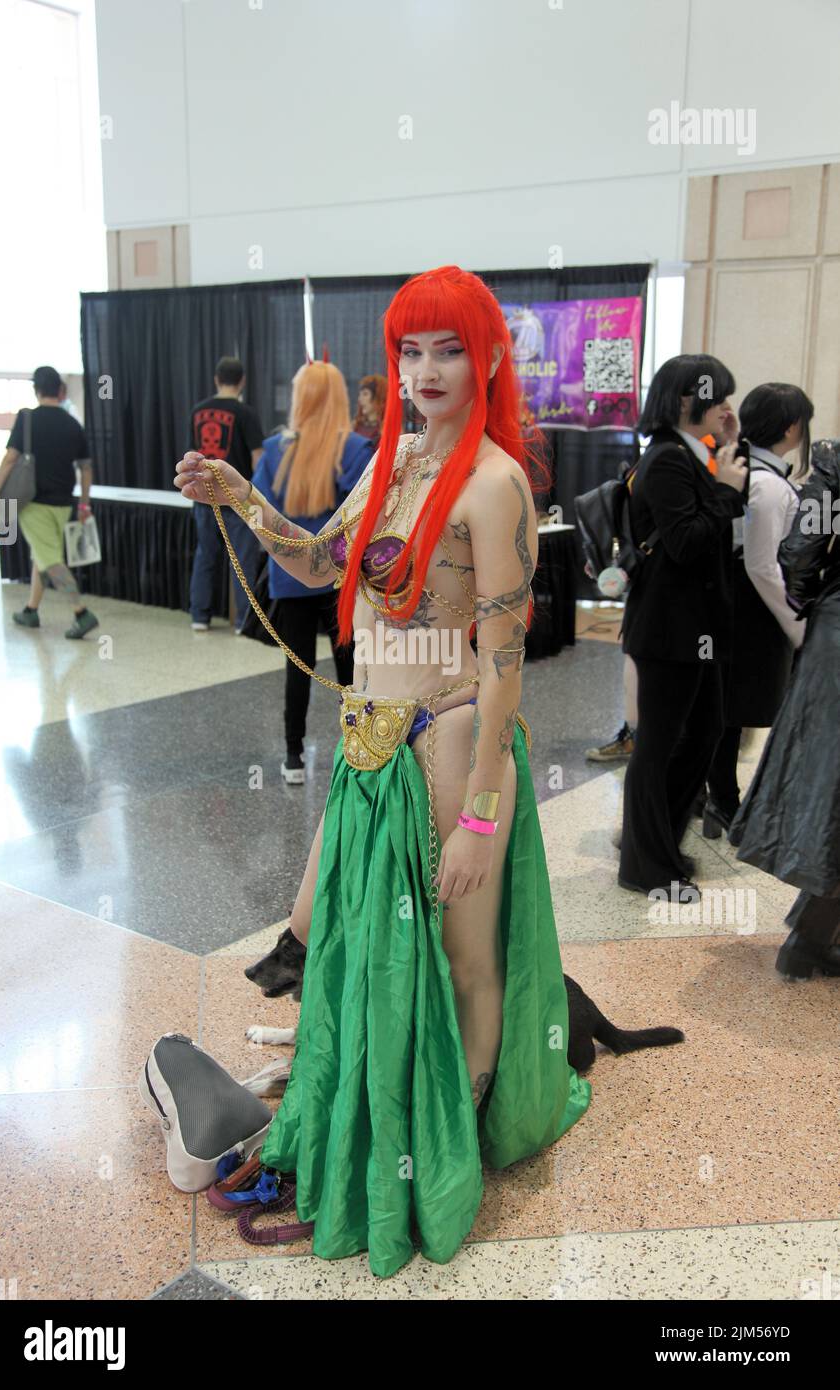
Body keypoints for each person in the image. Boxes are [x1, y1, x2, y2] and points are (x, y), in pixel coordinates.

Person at [175, 264, 590, 1278]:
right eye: (410, 349)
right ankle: (387, 1105)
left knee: (462, 954)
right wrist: (242, 498)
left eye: (449, 347)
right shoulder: (394, 458)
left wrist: (483, 817)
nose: (428, 367)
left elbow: (501, 668)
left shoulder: (495, 483)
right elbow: (321, 563)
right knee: (359, 937)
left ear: (487, 355)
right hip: (368, 726)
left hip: (448, 732)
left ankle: (469, 1139)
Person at [618, 355, 748, 901]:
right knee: (659, 745)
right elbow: (687, 542)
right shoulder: (668, 460)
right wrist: (726, 491)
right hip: (669, 630)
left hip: (694, 628)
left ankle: (662, 843)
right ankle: (645, 865)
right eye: (717, 398)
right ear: (684, 402)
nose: (726, 408)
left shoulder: (697, 456)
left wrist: (726, 463)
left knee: (705, 732)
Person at [730, 438, 840, 979]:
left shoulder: (836, 464)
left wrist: (816, 603)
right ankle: (811, 936)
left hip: (836, 637)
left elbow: (798, 553)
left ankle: (812, 932)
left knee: (827, 778)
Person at [252, 357, 374, 784]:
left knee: (296, 667)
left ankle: (293, 758)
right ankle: (360, 747)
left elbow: (259, 516)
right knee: (352, 667)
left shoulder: (273, 451)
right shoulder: (356, 451)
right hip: (340, 580)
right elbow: (366, 519)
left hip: (289, 577)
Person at [703, 383, 813, 837]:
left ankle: (714, 801)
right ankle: (723, 804)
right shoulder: (767, 484)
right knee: (732, 712)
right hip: (752, 611)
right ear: (791, 427)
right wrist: (796, 624)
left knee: (729, 712)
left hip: (745, 607)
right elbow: (762, 565)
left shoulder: (756, 472)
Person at [0, 365, 99, 639]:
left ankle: (81, 612)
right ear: (60, 390)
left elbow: (11, 458)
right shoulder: (72, 424)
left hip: (34, 503)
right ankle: (31, 610)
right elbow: (86, 467)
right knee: (42, 557)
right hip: (63, 503)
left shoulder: (28, 419)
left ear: (36, 390)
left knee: (51, 559)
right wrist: (84, 504)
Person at [188, 356, 264, 633]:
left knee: (205, 555)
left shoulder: (197, 411)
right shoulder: (246, 413)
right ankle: (243, 620)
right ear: (242, 381)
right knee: (242, 559)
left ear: (216, 379)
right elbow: (258, 459)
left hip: (203, 496)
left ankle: (199, 616)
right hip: (235, 499)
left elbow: (191, 458)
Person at [352, 373, 387, 446]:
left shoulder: (388, 430)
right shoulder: (355, 426)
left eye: (365, 394)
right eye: (360, 394)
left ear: (378, 397)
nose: (360, 399)